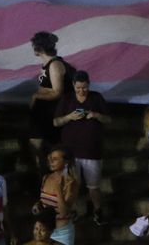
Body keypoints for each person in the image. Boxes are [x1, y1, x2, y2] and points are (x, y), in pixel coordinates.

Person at [54, 70, 110, 226]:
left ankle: (98, 211)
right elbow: (56, 122)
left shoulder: (96, 97)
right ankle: (75, 211)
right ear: (73, 85)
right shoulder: (67, 99)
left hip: (92, 152)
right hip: (71, 153)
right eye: (78, 88)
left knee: (94, 187)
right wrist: (69, 117)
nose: (81, 91)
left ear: (89, 85)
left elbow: (108, 119)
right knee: (72, 185)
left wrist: (96, 115)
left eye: (84, 88)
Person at [30, 31, 70, 153]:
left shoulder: (55, 65)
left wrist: (37, 95)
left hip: (50, 115)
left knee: (47, 149)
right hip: (43, 115)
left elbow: (57, 92)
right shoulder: (48, 64)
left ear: (39, 48)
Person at [35, 146, 79, 245]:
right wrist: (38, 205)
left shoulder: (71, 183)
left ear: (66, 162)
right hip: (46, 230)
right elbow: (44, 201)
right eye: (50, 159)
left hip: (62, 231)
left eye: (55, 159)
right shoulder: (46, 177)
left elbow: (64, 212)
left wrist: (58, 189)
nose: (51, 162)